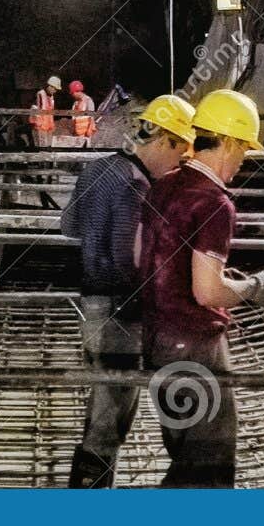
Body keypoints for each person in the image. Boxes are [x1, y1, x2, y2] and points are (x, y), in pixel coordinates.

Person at [137, 88, 264, 487]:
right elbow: (206, 294)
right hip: (195, 345)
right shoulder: (216, 203)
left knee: (185, 453)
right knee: (209, 466)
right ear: (230, 142)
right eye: (243, 150)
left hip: (156, 339)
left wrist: (210, 280)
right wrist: (253, 287)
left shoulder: (162, 185)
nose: (242, 161)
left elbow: (142, 258)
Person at [59, 94, 196, 487]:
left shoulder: (96, 170)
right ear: (165, 140)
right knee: (110, 417)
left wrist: (93, 244)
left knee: (103, 402)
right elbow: (129, 259)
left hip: (90, 303)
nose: (178, 165)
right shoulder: (137, 185)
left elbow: (68, 226)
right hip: (121, 311)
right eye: (180, 154)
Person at [30, 75, 60, 147]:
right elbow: (35, 111)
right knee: (41, 147)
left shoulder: (51, 96)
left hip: (48, 127)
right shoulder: (40, 94)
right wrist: (38, 125)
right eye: (55, 89)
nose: (55, 91)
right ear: (50, 86)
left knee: (48, 147)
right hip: (40, 127)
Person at [69, 79, 97, 145]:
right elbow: (73, 118)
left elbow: (92, 117)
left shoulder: (88, 101)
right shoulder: (75, 103)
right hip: (77, 133)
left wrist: (89, 130)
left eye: (73, 93)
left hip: (86, 134)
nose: (72, 95)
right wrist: (73, 130)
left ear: (77, 91)